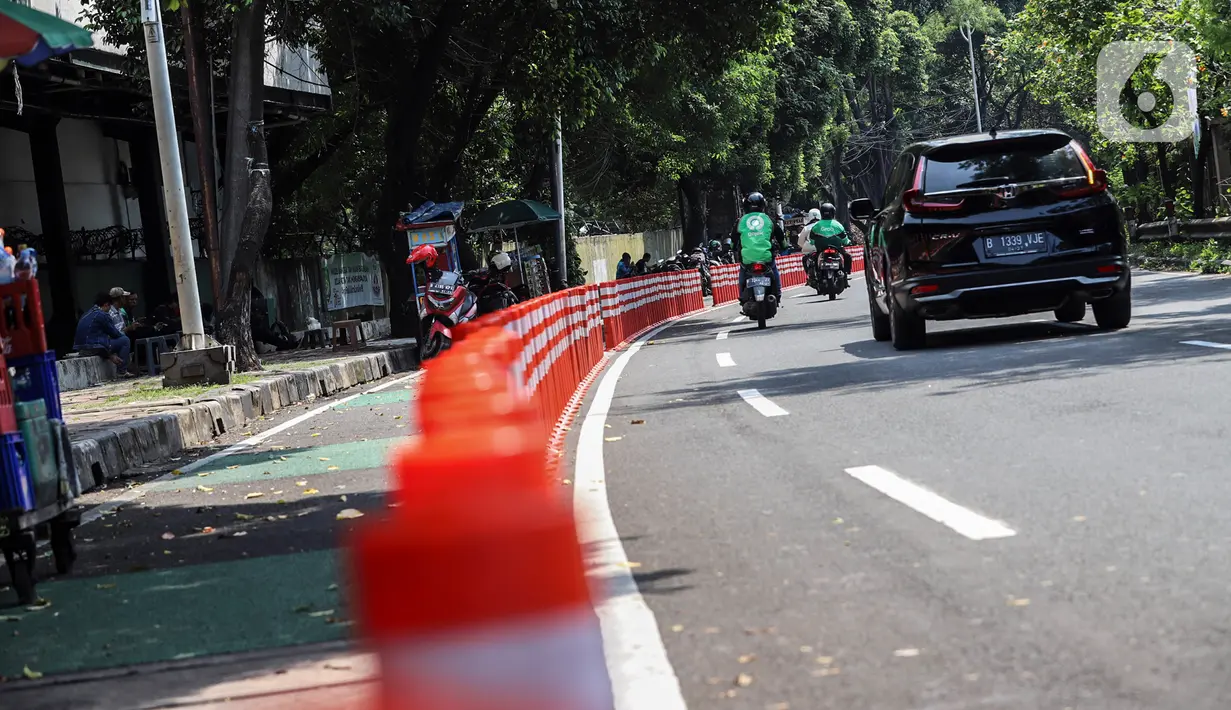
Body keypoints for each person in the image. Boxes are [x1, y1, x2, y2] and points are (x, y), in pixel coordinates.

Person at [733, 192, 785, 303]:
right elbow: (781, 237)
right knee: (774, 270)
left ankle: (742, 297)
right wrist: (784, 246)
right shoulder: (769, 219)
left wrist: (732, 247)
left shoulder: (740, 221)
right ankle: (778, 293)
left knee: (743, 273)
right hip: (766, 258)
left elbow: (733, 240)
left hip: (747, 259)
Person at [75, 292, 132, 377]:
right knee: (125, 340)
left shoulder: (86, 314)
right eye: (109, 307)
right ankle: (122, 371)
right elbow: (115, 334)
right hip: (94, 347)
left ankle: (113, 358)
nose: (109, 310)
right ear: (106, 305)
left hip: (81, 349)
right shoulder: (103, 314)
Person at [807, 202, 853, 275]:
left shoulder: (816, 226)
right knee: (848, 256)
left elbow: (812, 240)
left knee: (813, 258)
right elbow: (844, 239)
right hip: (837, 248)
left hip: (820, 249)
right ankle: (846, 272)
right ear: (833, 213)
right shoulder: (838, 225)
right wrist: (848, 242)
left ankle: (815, 274)